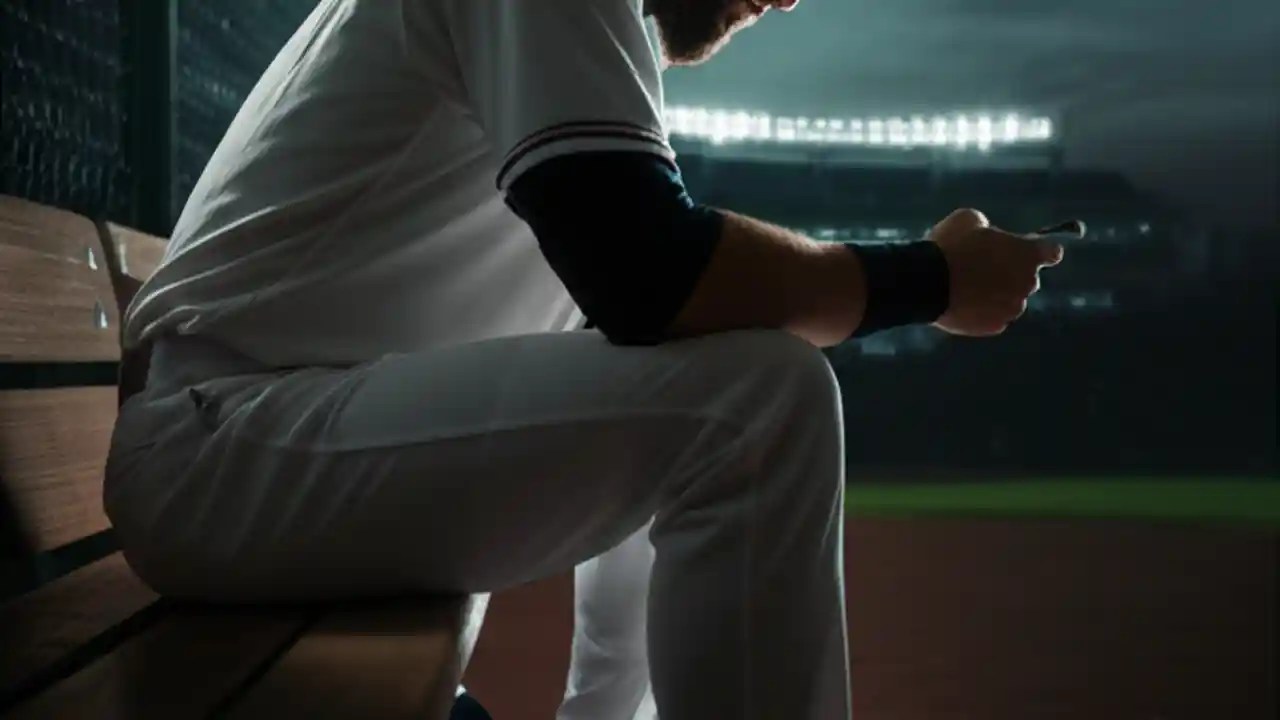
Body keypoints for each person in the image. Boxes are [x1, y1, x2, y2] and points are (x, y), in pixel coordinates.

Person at [104, 0, 1064, 718]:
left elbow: (652, 310)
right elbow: (652, 270)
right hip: (224, 445)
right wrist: (933, 280)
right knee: (762, 402)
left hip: (261, 435)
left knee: (725, 377)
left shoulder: (601, 45)